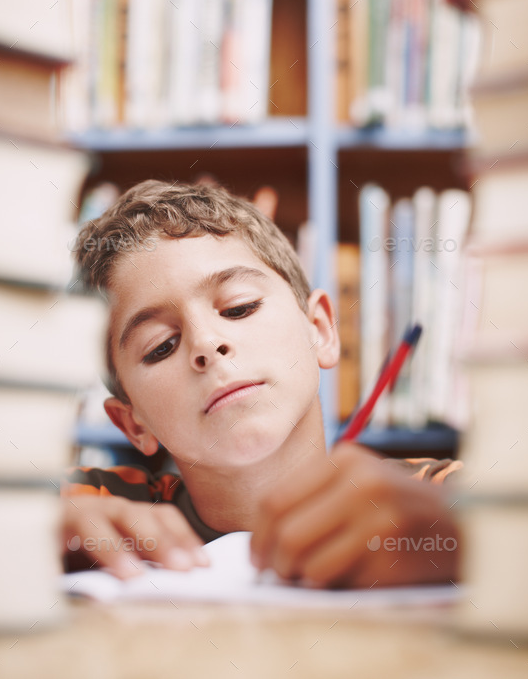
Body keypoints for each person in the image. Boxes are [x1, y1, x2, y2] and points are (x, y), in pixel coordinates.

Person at [62, 179, 461, 588]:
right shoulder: (92, 507)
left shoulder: (437, 499)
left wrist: (463, 538)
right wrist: (34, 535)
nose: (207, 344)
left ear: (320, 331)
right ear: (133, 424)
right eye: (161, 347)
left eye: (239, 308)